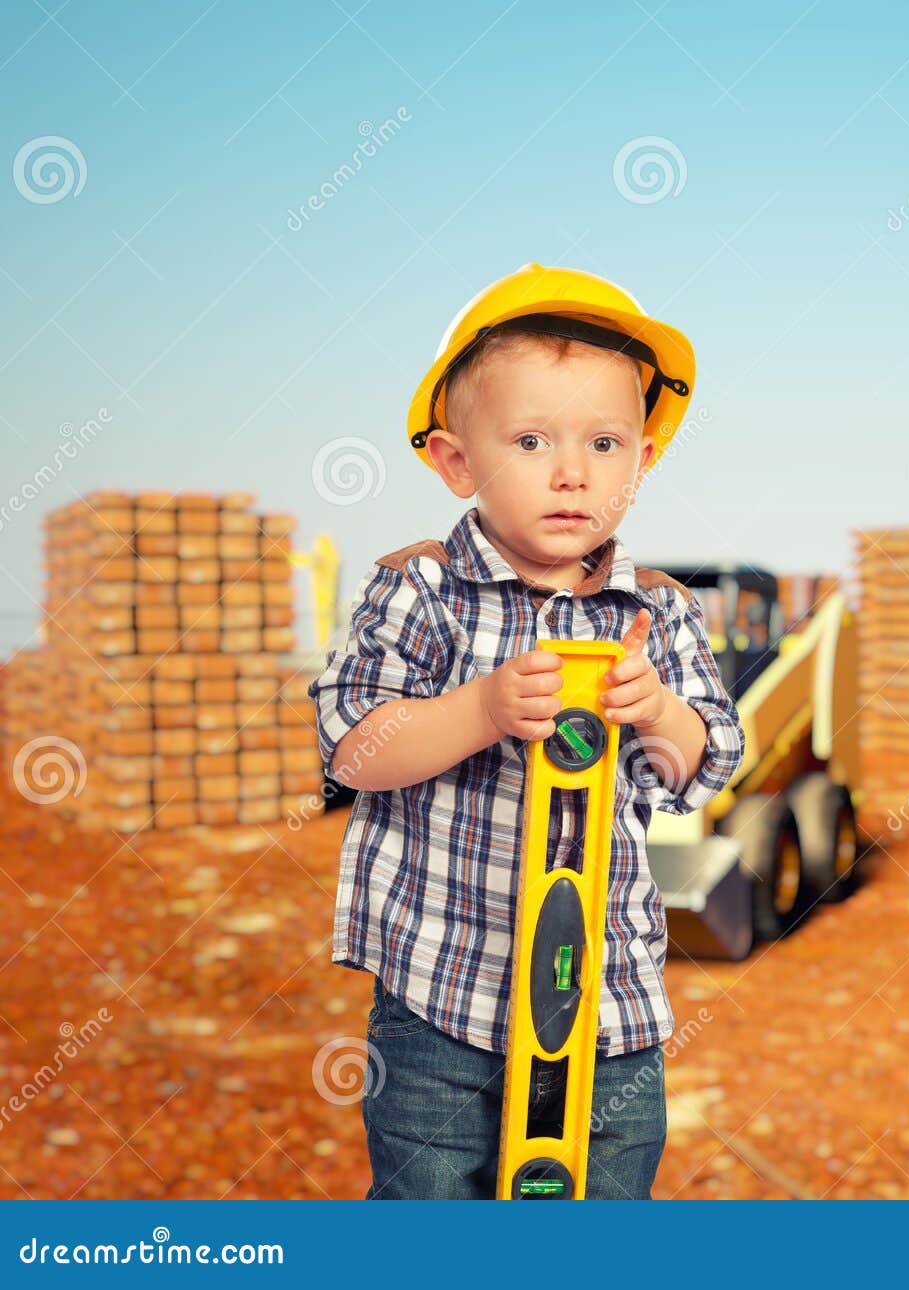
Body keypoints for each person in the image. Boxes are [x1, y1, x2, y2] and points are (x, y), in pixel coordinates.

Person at [307, 263, 745, 1199]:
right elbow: (354, 745)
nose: (573, 473)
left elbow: (702, 768)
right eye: (533, 440)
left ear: (643, 460)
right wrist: (480, 709)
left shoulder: (659, 613)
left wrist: (659, 710)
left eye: (606, 443)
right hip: (441, 1006)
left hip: (609, 1013)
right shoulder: (419, 588)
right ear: (458, 461)